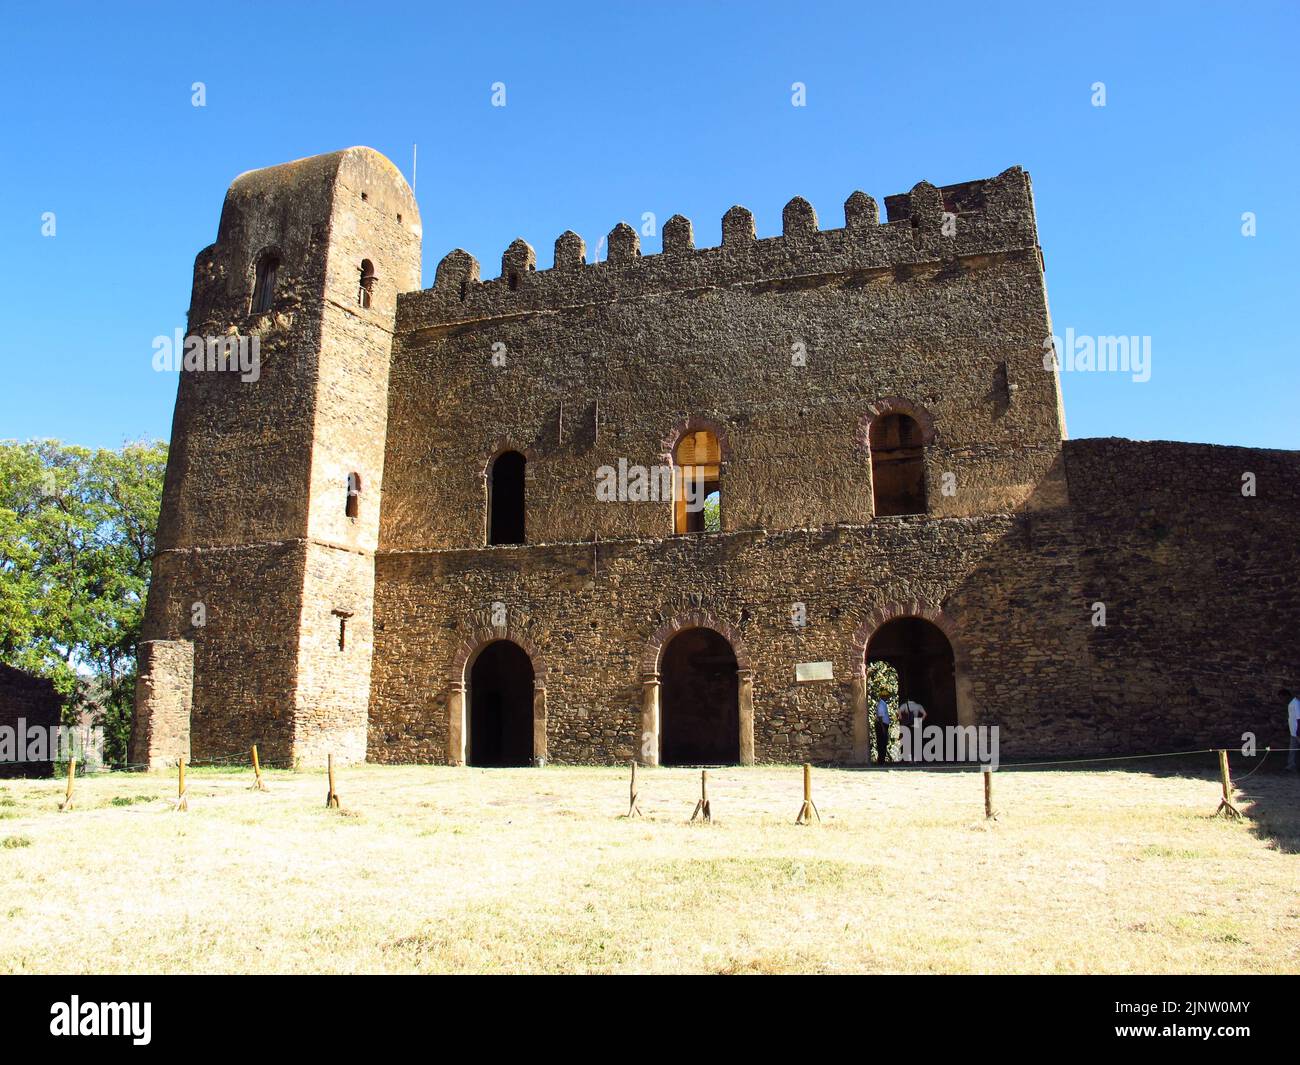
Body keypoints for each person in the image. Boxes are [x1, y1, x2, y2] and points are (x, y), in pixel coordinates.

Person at [1283, 688, 1300, 772]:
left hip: (1297, 731)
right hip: (1293, 731)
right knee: (1292, 750)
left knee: (1294, 749)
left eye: (1282, 697)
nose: (1282, 700)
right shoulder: (1291, 704)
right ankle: (1291, 766)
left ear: (1286, 696)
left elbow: (1298, 717)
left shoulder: (1296, 703)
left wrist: (1298, 730)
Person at [875, 697, 891, 765]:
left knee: (883, 743)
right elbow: (880, 717)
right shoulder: (881, 704)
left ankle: (882, 760)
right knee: (882, 743)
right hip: (882, 725)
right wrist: (883, 728)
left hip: (883, 725)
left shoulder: (883, 704)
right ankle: (881, 761)